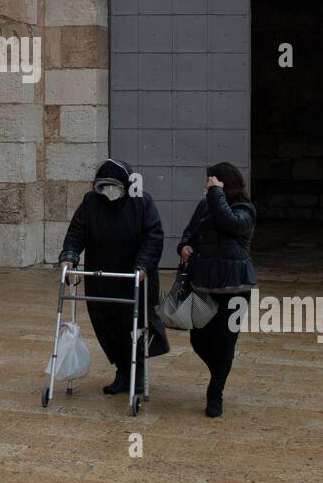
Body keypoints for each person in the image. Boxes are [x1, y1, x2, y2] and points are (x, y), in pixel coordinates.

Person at [58, 159, 167, 396]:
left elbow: (154, 236)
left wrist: (143, 265)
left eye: (113, 186)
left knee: (134, 325)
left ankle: (135, 373)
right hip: (102, 277)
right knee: (106, 324)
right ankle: (122, 370)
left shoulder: (142, 202)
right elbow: (77, 232)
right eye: (103, 186)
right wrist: (69, 256)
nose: (109, 192)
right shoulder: (90, 203)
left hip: (133, 276)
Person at [177, 162, 257, 418]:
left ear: (223, 183)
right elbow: (189, 233)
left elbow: (230, 223)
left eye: (209, 181)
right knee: (198, 339)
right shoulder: (206, 205)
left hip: (235, 289)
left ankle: (216, 392)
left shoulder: (244, 208)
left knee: (225, 344)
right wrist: (183, 247)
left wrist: (216, 194)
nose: (205, 185)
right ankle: (218, 371)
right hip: (203, 285)